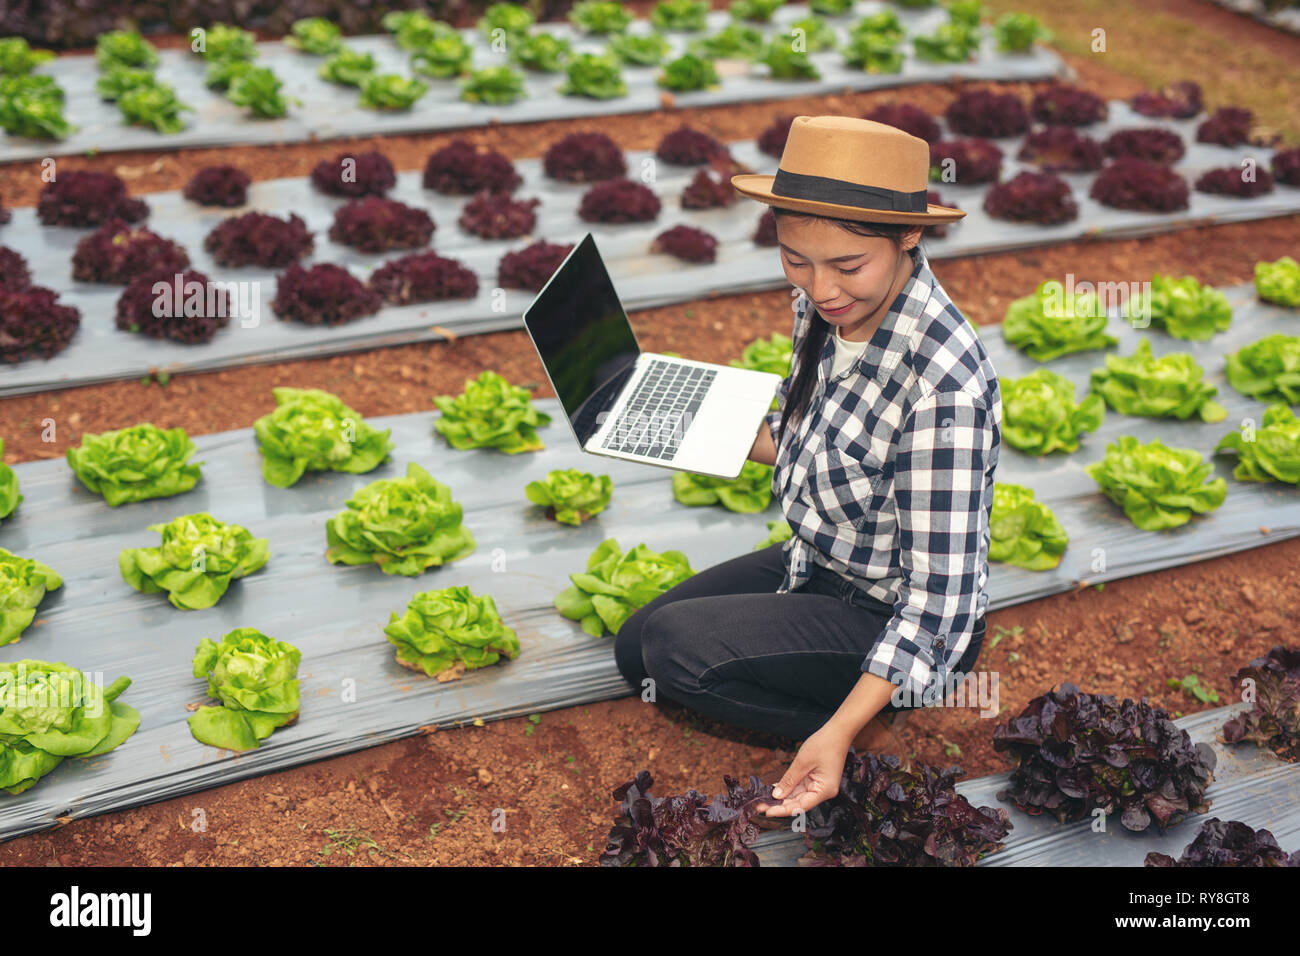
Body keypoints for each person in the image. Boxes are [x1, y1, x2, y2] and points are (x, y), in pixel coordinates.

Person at [612, 116, 1002, 818]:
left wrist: (839, 729)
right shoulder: (828, 305)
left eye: (846, 265)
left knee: (675, 650)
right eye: (795, 259)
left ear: (909, 233)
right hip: (817, 564)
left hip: (893, 618)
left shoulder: (945, 388)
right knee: (635, 647)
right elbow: (804, 436)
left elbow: (939, 602)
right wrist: (652, 414)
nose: (820, 289)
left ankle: (865, 733)